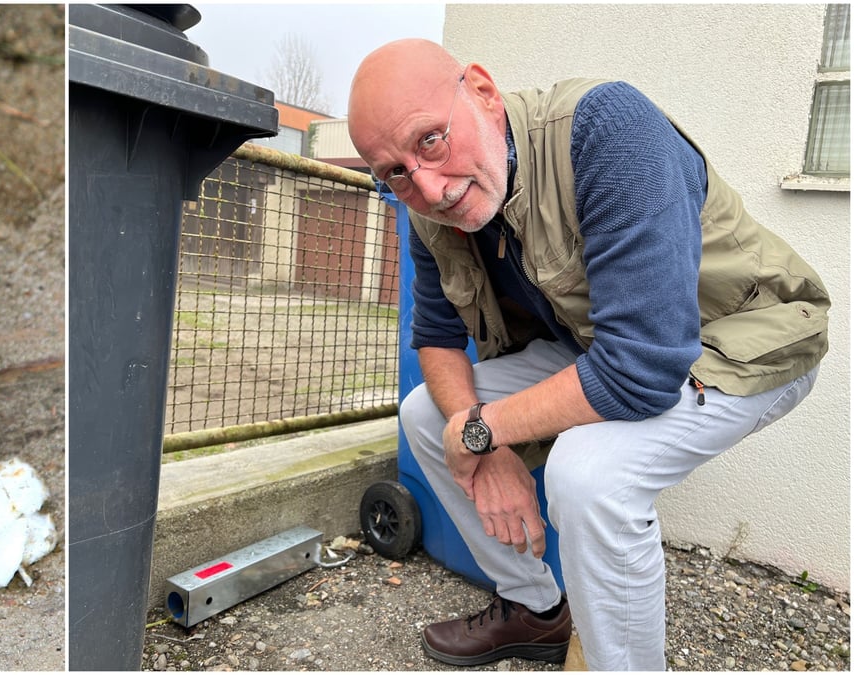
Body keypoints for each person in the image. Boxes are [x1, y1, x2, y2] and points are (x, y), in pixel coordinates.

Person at [347, 39, 829, 671]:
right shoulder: (433, 209)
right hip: (611, 349)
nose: (428, 187)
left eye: (430, 140)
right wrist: (475, 436)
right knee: (423, 413)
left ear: (484, 93)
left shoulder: (607, 130)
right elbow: (436, 338)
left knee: (589, 474)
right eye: (396, 174)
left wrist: (481, 434)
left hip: (750, 336)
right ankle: (538, 612)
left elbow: (642, 370)